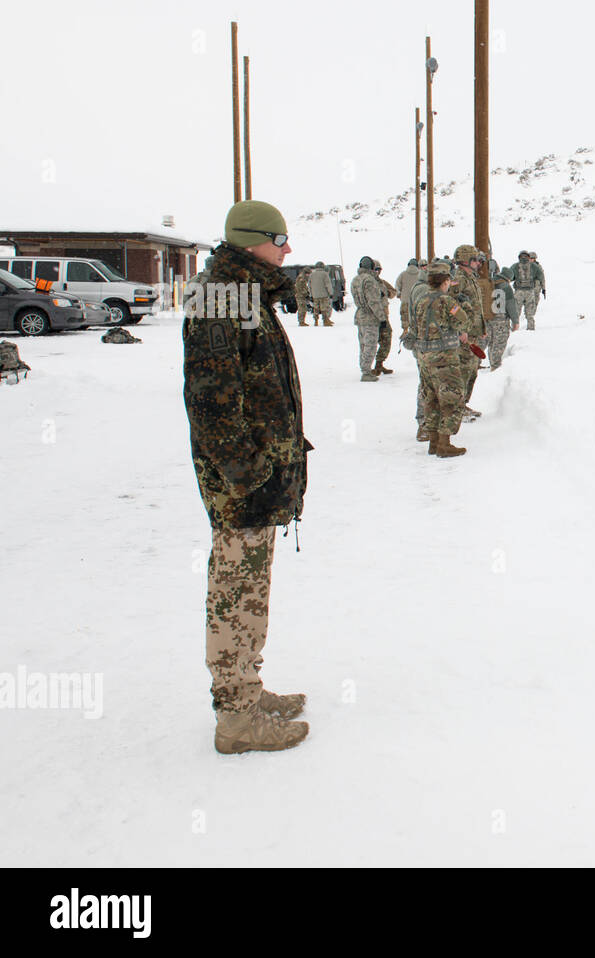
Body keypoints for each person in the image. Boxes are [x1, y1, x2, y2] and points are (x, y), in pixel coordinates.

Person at [181, 199, 310, 755]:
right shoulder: (220, 300)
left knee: (250, 590)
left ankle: (246, 692)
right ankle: (235, 718)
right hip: (243, 483)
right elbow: (211, 402)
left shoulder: (248, 294)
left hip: (258, 475)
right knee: (237, 592)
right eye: (279, 238)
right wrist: (249, 474)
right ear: (251, 241)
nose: (287, 248)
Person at [411, 266, 470, 457]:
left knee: (432, 398)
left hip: (424, 356)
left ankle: (434, 441)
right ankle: (445, 443)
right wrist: (464, 306)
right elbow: (463, 321)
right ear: (445, 282)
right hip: (444, 356)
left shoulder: (420, 300)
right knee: (453, 396)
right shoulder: (446, 301)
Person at [450, 245, 488, 419]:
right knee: (463, 370)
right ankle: (457, 408)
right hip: (464, 335)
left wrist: (481, 329)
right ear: (466, 261)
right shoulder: (459, 278)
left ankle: (463, 404)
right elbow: (452, 305)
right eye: (474, 260)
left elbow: (475, 306)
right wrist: (461, 330)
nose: (478, 263)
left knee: (472, 370)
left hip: (472, 333)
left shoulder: (470, 278)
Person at [350, 257, 385, 382]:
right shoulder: (369, 280)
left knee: (363, 344)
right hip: (370, 317)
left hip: (360, 315)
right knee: (371, 345)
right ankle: (366, 372)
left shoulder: (355, 280)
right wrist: (382, 318)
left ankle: (364, 368)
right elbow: (373, 301)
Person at [488, 263, 520, 370]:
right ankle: (495, 366)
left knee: (491, 342)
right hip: (501, 318)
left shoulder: (490, 282)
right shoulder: (506, 286)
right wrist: (515, 321)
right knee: (499, 342)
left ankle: (492, 362)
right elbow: (511, 305)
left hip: (488, 317)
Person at [503, 251, 543, 331]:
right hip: (530, 292)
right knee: (530, 312)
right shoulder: (534, 266)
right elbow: (540, 276)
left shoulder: (515, 266)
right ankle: (531, 328)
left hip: (519, 291)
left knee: (516, 311)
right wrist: (540, 287)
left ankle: (514, 327)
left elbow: (509, 277)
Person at [373, 261, 396, 376]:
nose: (377, 272)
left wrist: (386, 292)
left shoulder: (382, 283)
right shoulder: (367, 282)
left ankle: (379, 364)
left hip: (383, 316)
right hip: (371, 317)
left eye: (379, 270)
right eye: (375, 269)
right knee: (370, 342)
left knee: (386, 339)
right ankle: (368, 367)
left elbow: (393, 292)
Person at [396, 258, 422, 339]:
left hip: (405, 300)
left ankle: (405, 331)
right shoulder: (420, 274)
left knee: (404, 316)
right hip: (417, 300)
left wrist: (399, 294)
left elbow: (397, 285)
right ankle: (416, 333)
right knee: (417, 317)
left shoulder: (403, 274)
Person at [309, 260, 334, 326]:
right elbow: (328, 284)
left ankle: (316, 321)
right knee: (324, 308)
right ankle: (325, 321)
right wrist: (331, 293)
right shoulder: (325, 274)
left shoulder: (312, 274)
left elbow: (309, 285)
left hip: (315, 295)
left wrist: (311, 295)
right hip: (324, 294)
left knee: (316, 308)